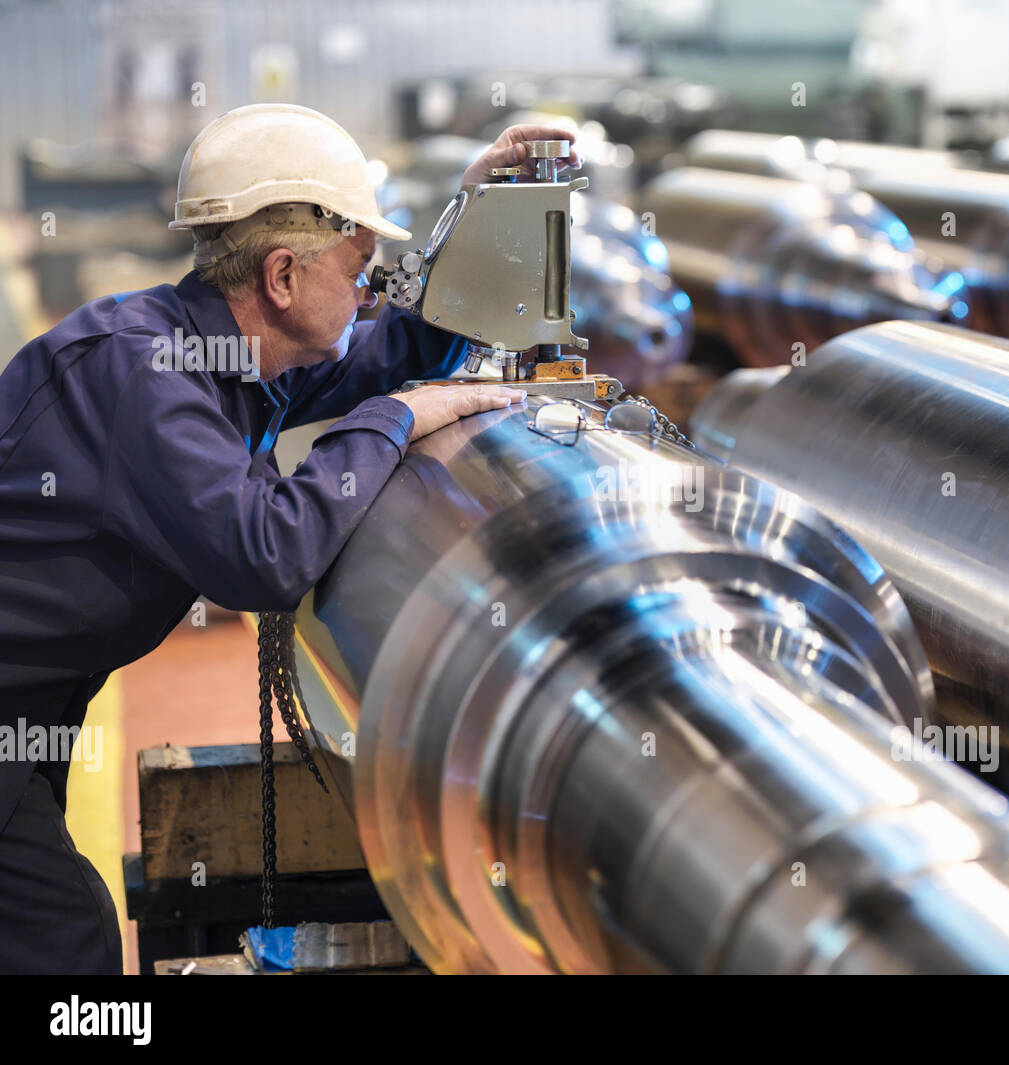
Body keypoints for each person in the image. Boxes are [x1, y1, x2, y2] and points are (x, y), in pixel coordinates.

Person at [0, 103, 578, 973]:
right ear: (281, 275)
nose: (366, 291)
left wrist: (479, 209)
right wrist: (390, 421)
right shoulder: (145, 375)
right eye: (358, 269)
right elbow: (263, 554)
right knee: (64, 946)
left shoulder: (227, 357)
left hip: (35, 707)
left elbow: (395, 349)